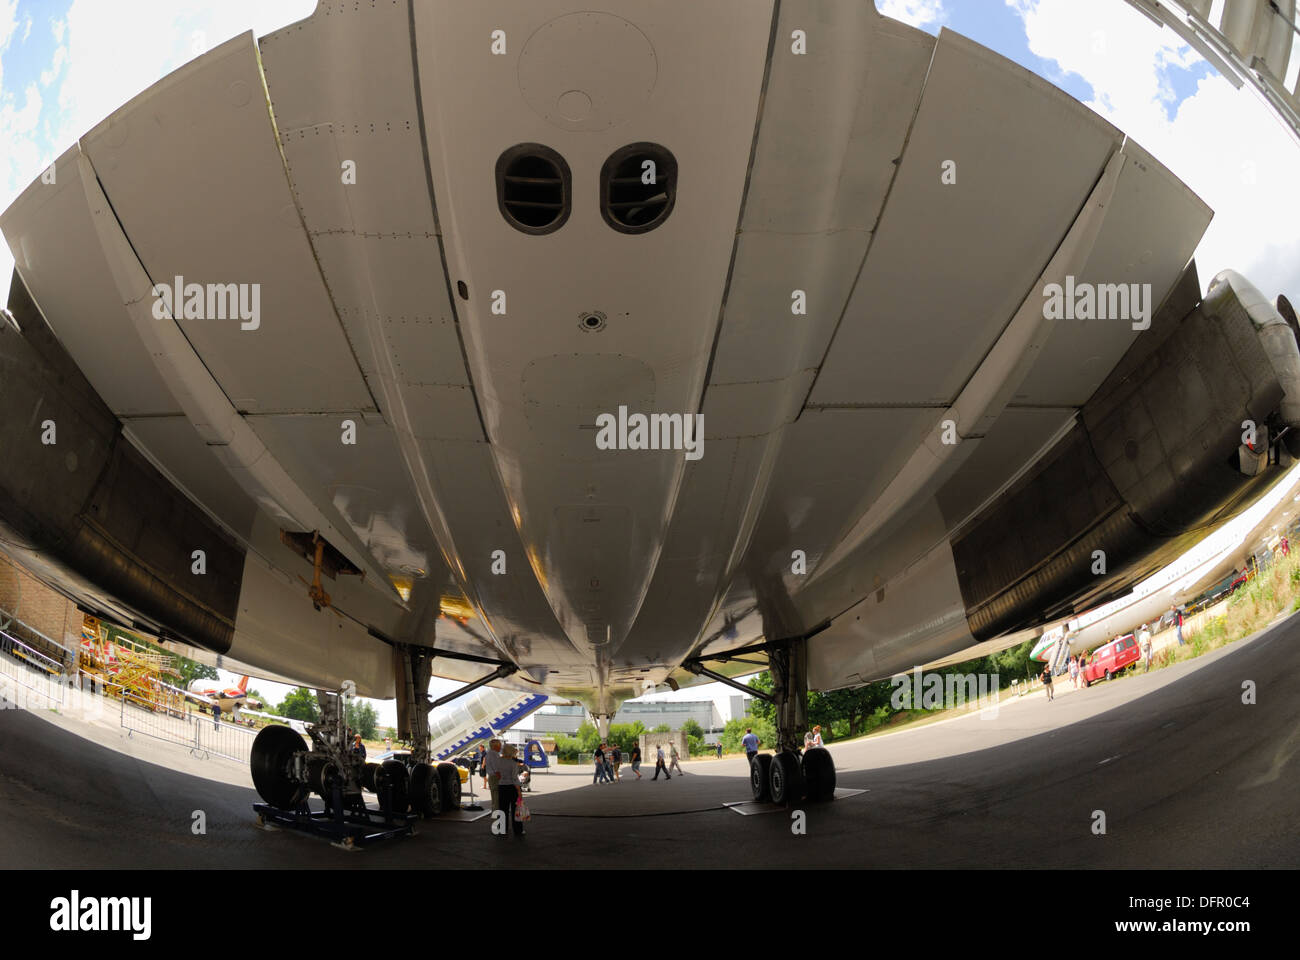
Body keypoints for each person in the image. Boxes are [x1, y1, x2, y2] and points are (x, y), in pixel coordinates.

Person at [495, 744, 525, 837]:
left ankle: (502, 830)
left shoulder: (498, 761)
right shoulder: (512, 763)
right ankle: (518, 830)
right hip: (512, 788)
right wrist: (519, 792)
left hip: (502, 787)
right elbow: (514, 778)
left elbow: (496, 773)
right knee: (516, 809)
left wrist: (501, 779)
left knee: (502, 809)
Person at [485, 738, 503, 810]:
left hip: (492, 777)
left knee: (494, 797)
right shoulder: (494, 754)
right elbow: (496, 769)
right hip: (495, 777)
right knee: (497, 798)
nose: (501, 747)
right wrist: (501, 779)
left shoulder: (490, 753)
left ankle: (495, 814)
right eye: (500, 745)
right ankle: (497, 815)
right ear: (495, 746)